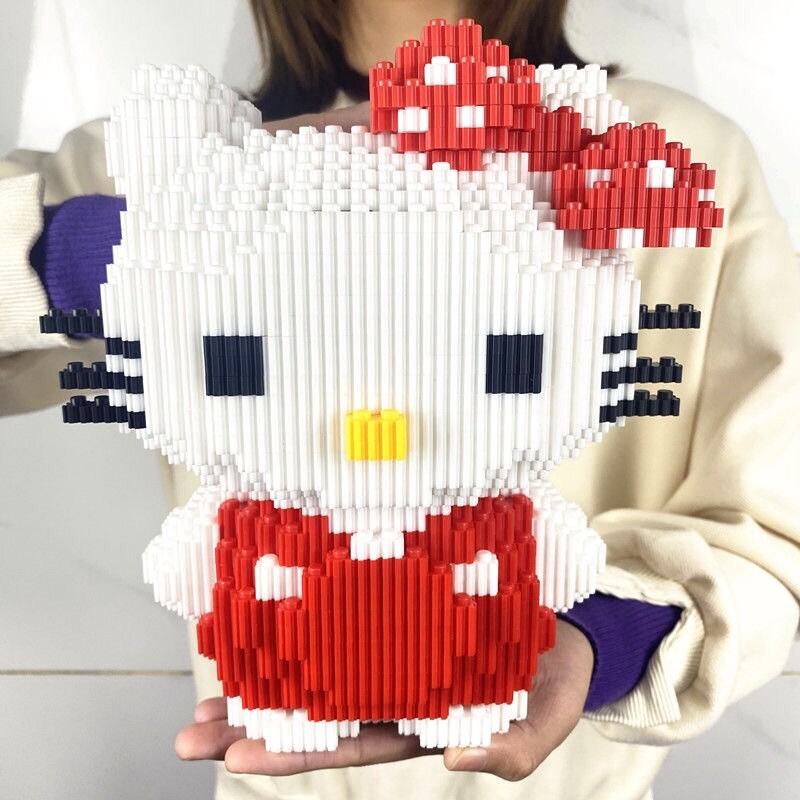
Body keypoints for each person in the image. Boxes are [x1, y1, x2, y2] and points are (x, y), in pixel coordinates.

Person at [1, 1, 798, 799]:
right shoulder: (156, 167)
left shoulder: (668, 163)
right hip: (283, 704)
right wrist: (77, 252)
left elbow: (773, 535)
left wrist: (603, 637)